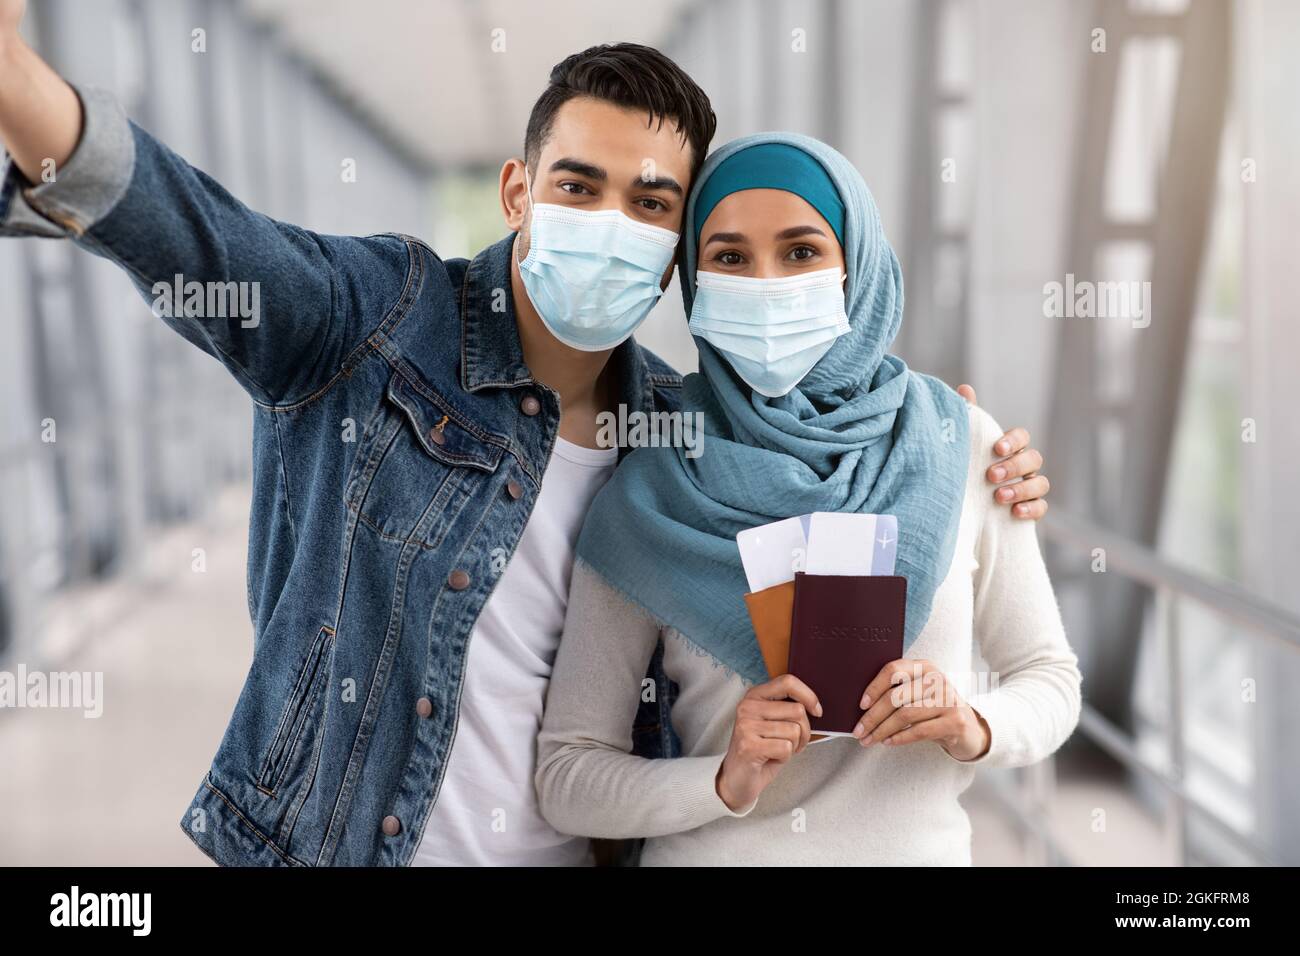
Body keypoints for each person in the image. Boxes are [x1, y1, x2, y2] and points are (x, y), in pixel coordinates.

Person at [0, 0, 1049, 866]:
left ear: (676, 246)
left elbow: (832, 452)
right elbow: (195, 233)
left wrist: (950, 438)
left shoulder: (682, 434)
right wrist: (20, 86)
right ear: (518, 191)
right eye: (577, 186)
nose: (610, 222)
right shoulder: (373, 322)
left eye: (650, 203)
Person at [535, 133, 1082, 865]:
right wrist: (722, 780)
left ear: (857, 264)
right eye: (729, 257)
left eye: (800, 252)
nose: (765, 283)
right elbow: (567, 775)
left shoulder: (960, 446)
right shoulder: (652, 489)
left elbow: (1049, 679)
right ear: (695, 282)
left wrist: (968, 720)